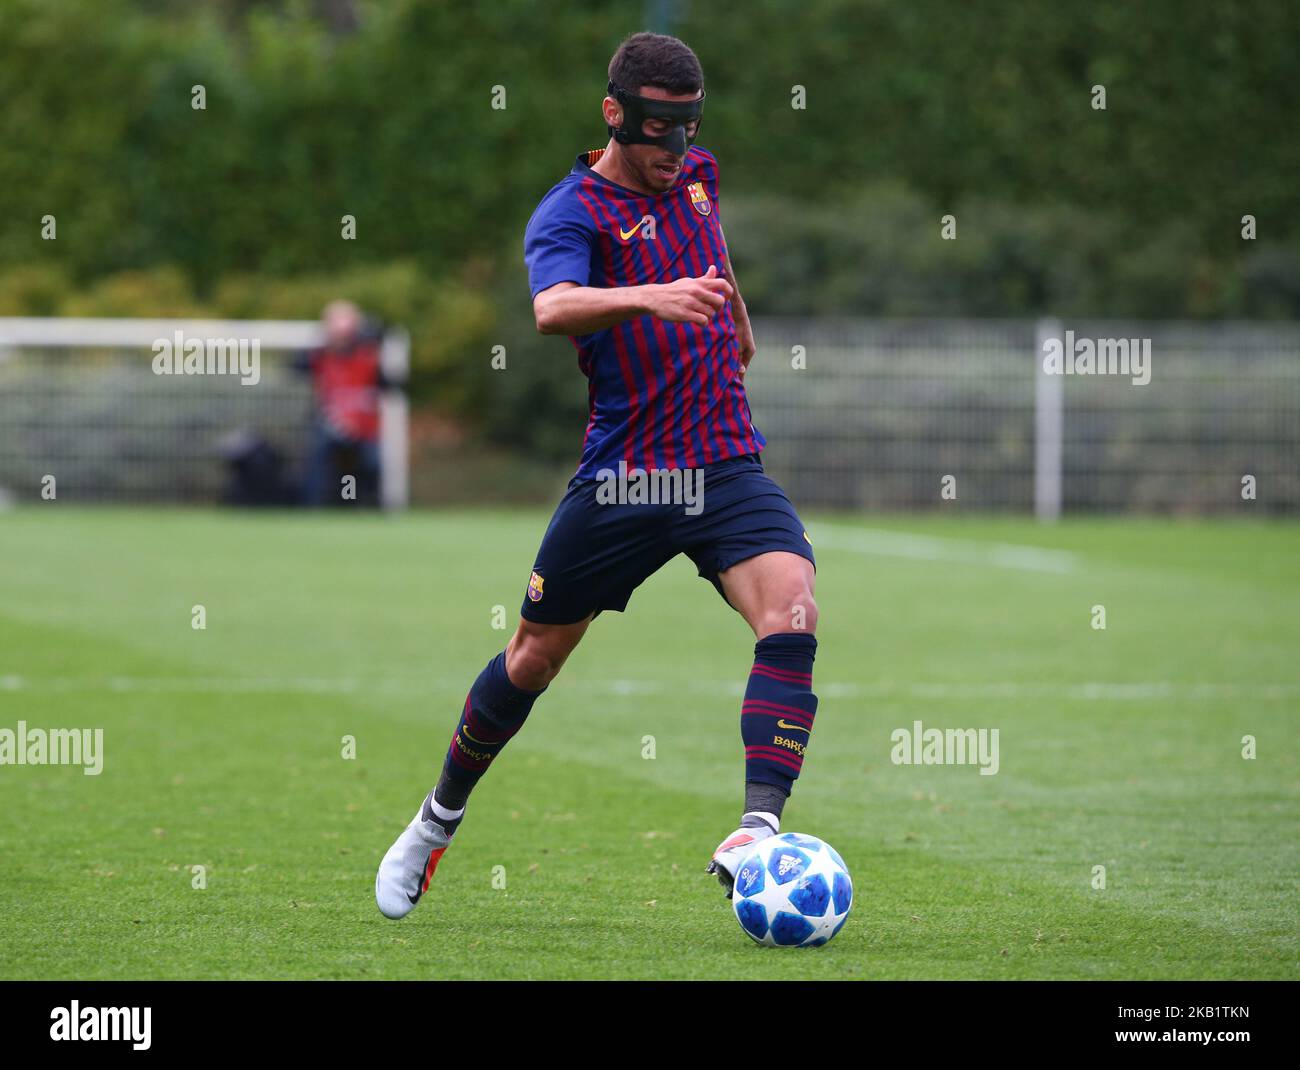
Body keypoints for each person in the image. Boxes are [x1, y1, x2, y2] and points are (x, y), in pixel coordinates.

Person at [376, 32, 820, 918]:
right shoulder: (570, 212)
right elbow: (553, 307)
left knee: (794, 609)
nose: (675, 149)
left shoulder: (697, 176)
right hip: (628, 478)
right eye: (658, 129)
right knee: (534, 658)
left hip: (724, 463)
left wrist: (735, 313)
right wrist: (651, 295)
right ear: (615, 114)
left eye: (689, 128)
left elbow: (712, 248)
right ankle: (435, 821)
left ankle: (757, 831)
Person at [297, 300, 384, 507]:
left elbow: (387, 384)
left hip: (363, 427)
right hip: (330, 424)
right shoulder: (319, 356)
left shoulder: (368, 355)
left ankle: (361, 504)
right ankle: (315, 506)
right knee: (319, 461)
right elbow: (296, 366)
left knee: (368, 464)